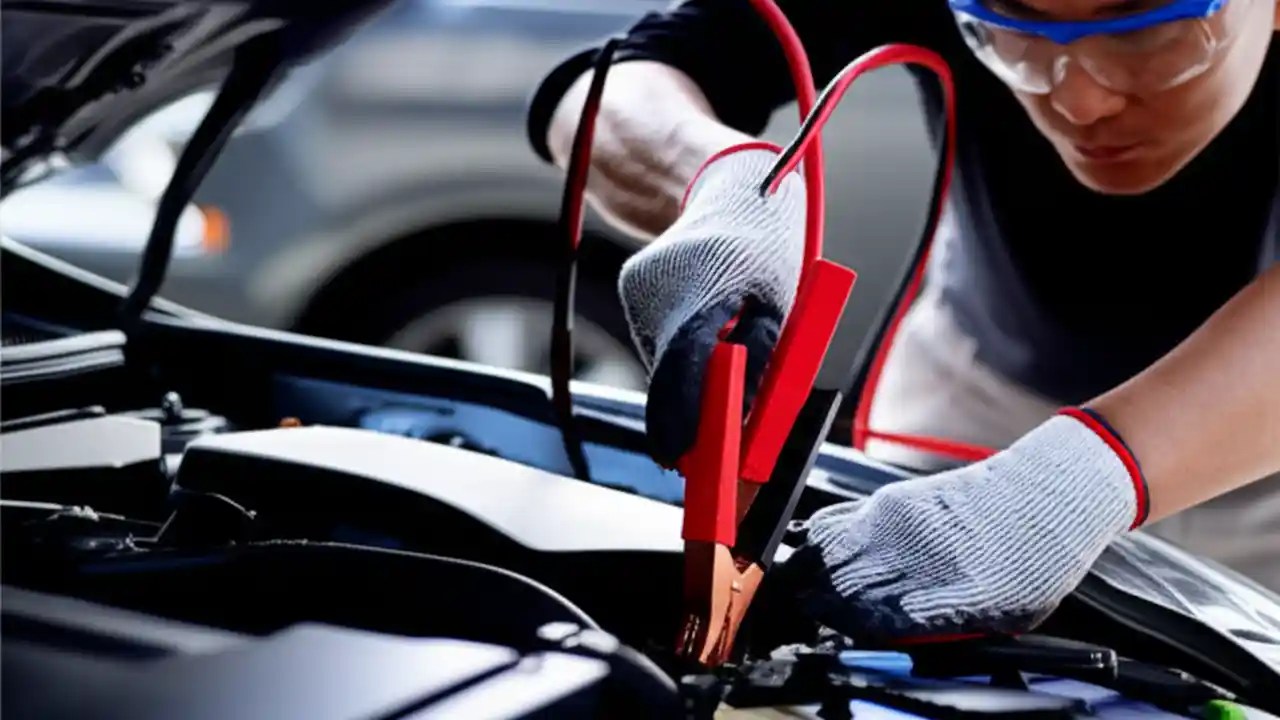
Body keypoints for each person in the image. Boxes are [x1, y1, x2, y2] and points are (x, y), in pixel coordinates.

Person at [526, 0, 1280, 640]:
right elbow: (599, 91)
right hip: (971, 407)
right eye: (1008, 25)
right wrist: (722, 184)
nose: (1080, 101)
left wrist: (1076, 480)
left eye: (1145, 31)